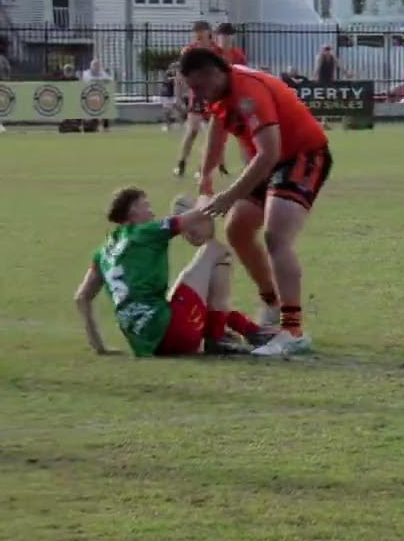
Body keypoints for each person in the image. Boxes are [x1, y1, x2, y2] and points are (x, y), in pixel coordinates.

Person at [180, 47, 332, 357]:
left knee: (276, 236)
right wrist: (205, 175)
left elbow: (270, 153)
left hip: (302, 156)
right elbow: (218, 128)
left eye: (199, 87)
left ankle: (293, 330)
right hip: (270, 163)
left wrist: (228, 196)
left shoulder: (248, 91)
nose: (197, 94)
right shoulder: (220, 91)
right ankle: (272, 303)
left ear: (213, 73)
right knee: (237, 229)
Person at [73, 189, 273, 356]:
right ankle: (218, 337)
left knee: (184, 298)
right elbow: (202, 214)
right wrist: (227, 198)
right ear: (133, 210)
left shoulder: (102, 253)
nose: (152, 213)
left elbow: (81, 298)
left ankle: (246, 330)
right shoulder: (146, 231)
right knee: (216, 250)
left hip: (145, 344)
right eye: (146, 205)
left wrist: (100, 347)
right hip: (174, 332)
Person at [174, 21, 228, 179]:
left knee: (210, 134)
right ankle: (181, 163)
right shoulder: (189, 50)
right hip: (197, 95)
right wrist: (178, 95)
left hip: (213, 95)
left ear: (208, 32)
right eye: (196, 32)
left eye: (201, 31)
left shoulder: (217, 51)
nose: (198, 34)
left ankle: (202, 168)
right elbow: (180, 75)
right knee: (193, 130)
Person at [80, 58, 113, 132]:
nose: (96, 67)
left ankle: (105, 127)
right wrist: (102, 81)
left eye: (98, 65)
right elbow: (89, 80)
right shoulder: (86, 72)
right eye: (95, 65)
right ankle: (89, 126)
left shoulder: (102, 73)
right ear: (91, 66)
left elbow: (110, 80)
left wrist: (100, 80)